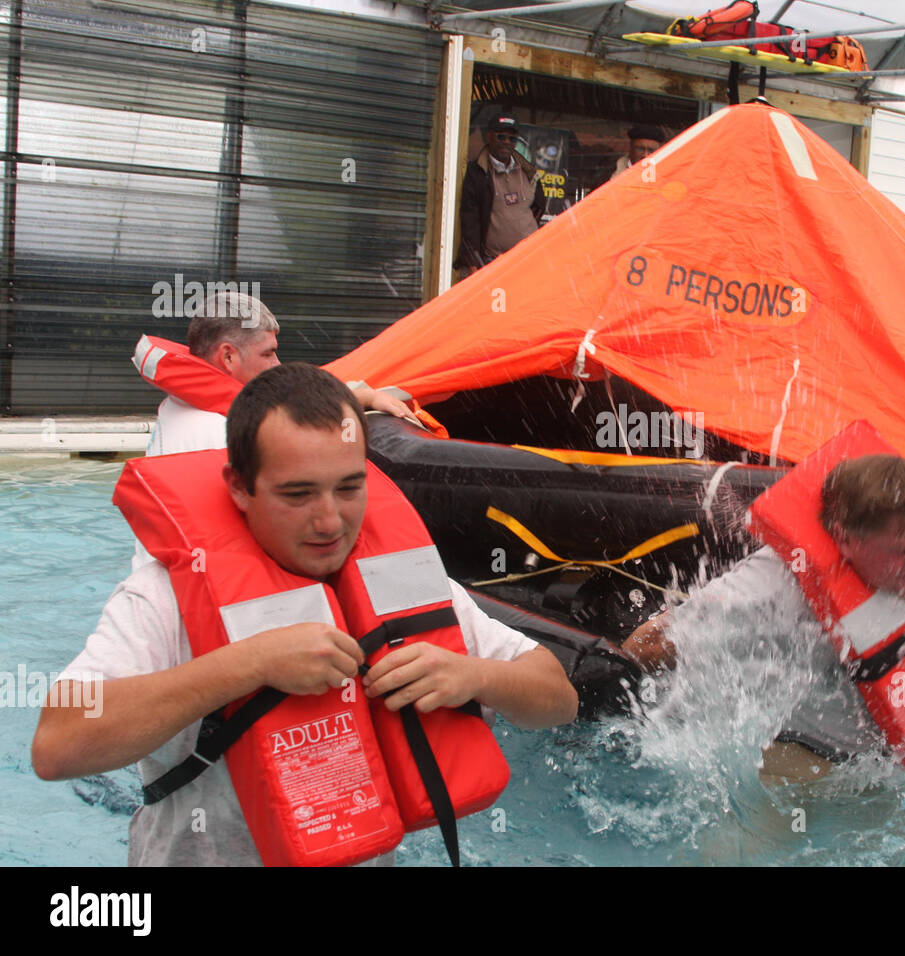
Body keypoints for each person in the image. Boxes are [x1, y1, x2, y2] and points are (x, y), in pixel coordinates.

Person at [32, 363, 578, 865]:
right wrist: (250, 664)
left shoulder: (402, 581)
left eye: (349, 488)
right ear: (239, 488)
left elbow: (558, 701)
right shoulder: (164, 599)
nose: (330, 522)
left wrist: (474, 676)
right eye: (298, 494)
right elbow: (57, 746)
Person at [620, 453, 905, 780]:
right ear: (845, 540)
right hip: (807, 761)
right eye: (902, 551)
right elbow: (641, 646)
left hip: (900, 761)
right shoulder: (767, 594)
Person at [144, 290, 416, 458]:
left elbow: (292, 404)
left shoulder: (175, 406)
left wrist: (365, 397)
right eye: (267, 353)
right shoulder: (228, 433)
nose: (277, 364)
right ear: (228, 356)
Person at [456, 115, 545, 275]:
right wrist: (473, 263)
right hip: (493, 262)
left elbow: (538, 207)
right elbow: (470, 218)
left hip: (528, 260)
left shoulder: (528, 171)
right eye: (501, 136)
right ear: (488, 136)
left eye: (512, 139)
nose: (506, 142)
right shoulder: (477, 172)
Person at [599, 124, 666, 186]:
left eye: (651, 150)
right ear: (630, 149)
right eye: (640, 149)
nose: (645, 155)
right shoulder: (611, 172)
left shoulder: (666, 174)